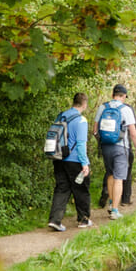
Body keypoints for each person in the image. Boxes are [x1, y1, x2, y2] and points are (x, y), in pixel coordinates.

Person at [92, 84, 136, 221]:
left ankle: (110, 201)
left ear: (113, 94)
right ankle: (114, 210)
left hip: (105, 147)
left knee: (109, 173)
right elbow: (133, 132)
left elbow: (95, 130)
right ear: (124, 96)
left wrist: (101, 141)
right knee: (119, 177)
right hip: (121, 147)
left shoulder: (103, 107)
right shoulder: (125, 109)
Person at [48, 93, 91, 231]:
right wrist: (84, 163)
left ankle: (55, 220)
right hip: (74, 160)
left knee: (61, 188)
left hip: (59, 158)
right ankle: (83, 219)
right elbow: (80, 144)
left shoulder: (61, 116)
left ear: (73, 102)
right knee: (81, 189)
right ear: (84, 104)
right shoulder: (81, 120)